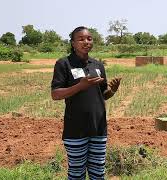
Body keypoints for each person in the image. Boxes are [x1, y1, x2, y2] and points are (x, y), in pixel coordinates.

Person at [51, 26, 121, 180]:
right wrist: (80, 86)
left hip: (98, 127)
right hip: (75, 129)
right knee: (76, 173)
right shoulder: (64, 64)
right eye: (81, 39)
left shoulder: (97, 65)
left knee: (98, 172)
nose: (86, 41)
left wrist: (113, 90)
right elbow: (55, 94)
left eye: (89, 38)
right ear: (73, 43)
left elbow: (103, 95)